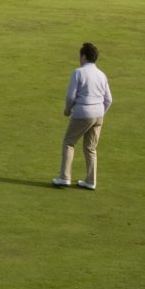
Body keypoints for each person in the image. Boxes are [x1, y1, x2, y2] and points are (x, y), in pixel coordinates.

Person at [53, 42, 111, 190]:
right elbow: (108, 99)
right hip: (99, 114)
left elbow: (71, 96)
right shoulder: (102, 75)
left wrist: (67, 110)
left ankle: (64, 177)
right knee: (90, 148)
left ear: (83, 56)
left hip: (83, 113)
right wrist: (100, 113)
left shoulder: (78, 72)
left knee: (69, 142)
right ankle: (91, 181)